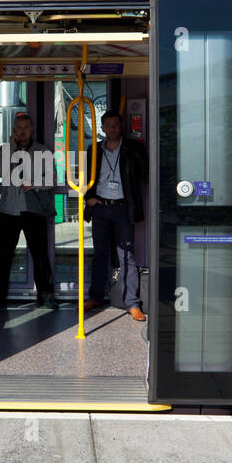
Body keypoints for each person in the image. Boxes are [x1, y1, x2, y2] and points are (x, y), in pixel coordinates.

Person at [83, 110, 147, 321]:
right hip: (100, 207)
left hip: (122, 208)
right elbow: (83, 177)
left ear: (121, 126)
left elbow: (145, 175)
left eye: (115, 124)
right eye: (108, 125)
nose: (112, 128)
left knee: (126, 255)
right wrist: (89, 199)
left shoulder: (133, 149)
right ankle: (96, 297)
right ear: (102, 128)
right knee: (100, 254)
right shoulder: (94, 150)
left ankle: (132, 303)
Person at [0, 112, 57, 309]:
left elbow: (52, 179)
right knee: (4, 256)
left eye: (26, 128)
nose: (22, 132)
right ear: (13, 132)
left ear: (32, 129)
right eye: (18, 128)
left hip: (33, 210)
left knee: (40, 255)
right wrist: (11, 147)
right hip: (8, 211)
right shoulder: (5, 150)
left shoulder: (42, 151)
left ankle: (46, 295)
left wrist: (34, 183)